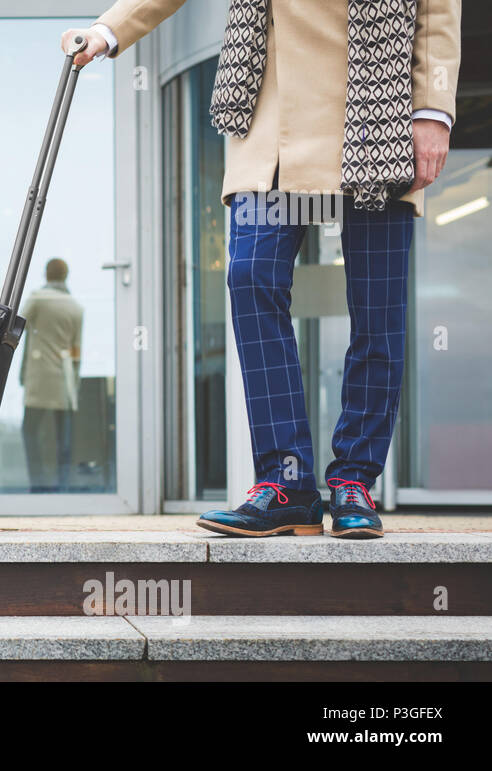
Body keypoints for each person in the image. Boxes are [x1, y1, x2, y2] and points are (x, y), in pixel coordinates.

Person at [65, 0, 460, 538]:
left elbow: (438, 11)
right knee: (251, 276)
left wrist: (432, 111)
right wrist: (107, 30)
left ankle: (354, 482)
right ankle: (286, 481)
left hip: (381, 117)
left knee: (377, 309)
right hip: (274, 127)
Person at [20, 258, 84, 492]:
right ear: (65, 276)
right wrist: (74, 385)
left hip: (38, 377)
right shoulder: (75, 307)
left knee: (30, 431)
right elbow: (77, 350)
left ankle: (37, 484)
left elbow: (18, 325)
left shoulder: (39, 299)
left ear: (46, 274)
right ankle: (62, 484)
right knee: (61, 437)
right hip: (63, 379)